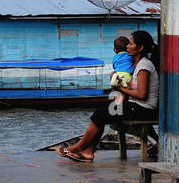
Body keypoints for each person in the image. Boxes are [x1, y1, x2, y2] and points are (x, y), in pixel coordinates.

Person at [58, 30, 159, 162]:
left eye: (131, 44)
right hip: (136, 106)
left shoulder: (144, 66)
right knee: (102, 111)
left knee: (101, 114)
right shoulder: (135, 64)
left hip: (144, 109)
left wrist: (119, 88)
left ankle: (77, 148)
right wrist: (116, 79)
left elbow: (141, 94)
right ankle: (88, 152)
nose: (127, 46)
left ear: (140, 48)